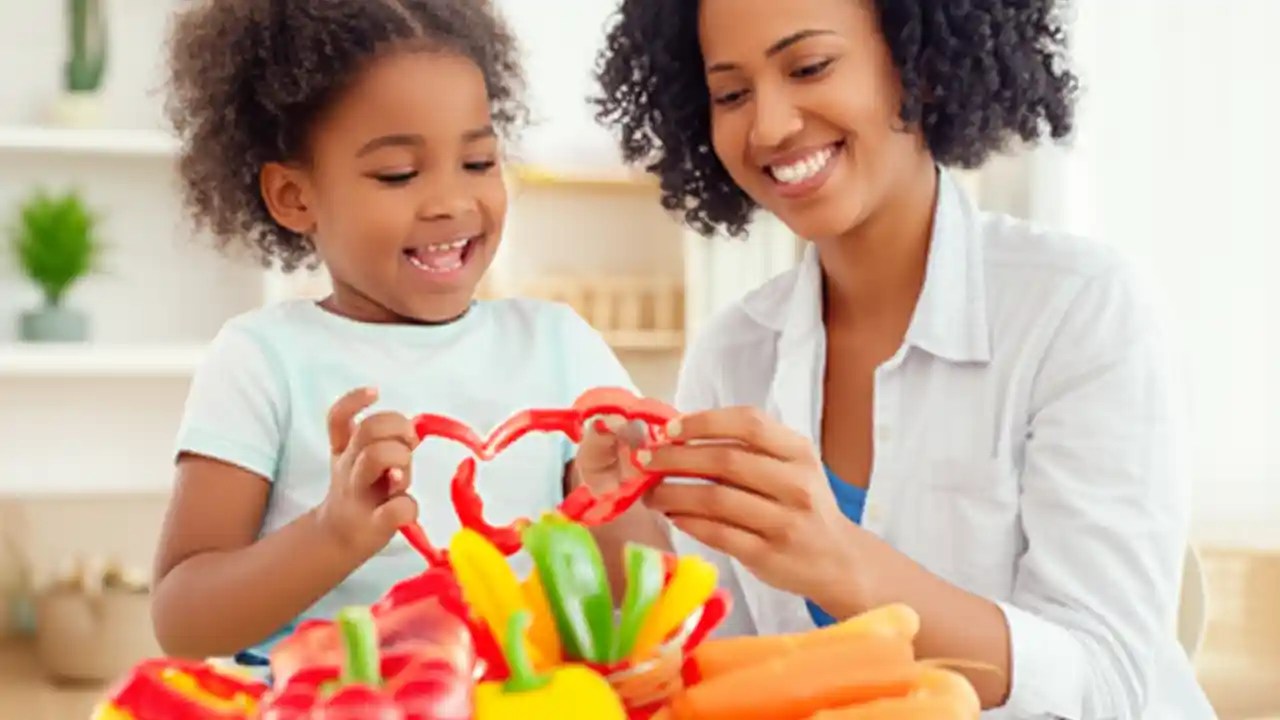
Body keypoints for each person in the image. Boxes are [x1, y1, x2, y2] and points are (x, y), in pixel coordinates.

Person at [593, 0, 1215, 718]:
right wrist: (628, 534)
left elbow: (1108, 687)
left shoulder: (1079, 310)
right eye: (732, 93)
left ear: (919, 67)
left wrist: (840, 563)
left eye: (810, 67)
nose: (768, 125)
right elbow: (729, 681)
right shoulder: (732, 357)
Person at [149, 0, 653, 664]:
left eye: (477, 163)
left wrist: (607, 502)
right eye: (398, 174)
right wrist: (333, 535)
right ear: (295, 197)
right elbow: (184, 621)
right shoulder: (262, 360)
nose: (450, 201)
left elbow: (646, 600)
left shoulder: (561, 347)